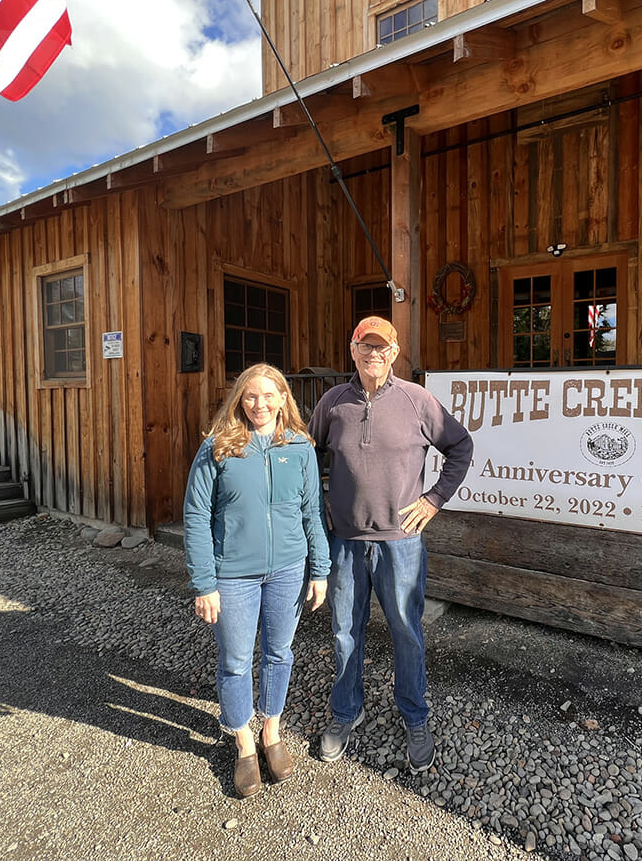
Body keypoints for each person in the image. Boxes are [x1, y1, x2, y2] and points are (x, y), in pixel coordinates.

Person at [308, 316, 473, 772]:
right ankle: (346, 711)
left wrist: (434, 500)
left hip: (400, 542)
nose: (374, 355)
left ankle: (414, 716)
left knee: (406, 631)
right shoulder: (333, 402)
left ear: (395, 353)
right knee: (345, 630)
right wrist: (314, 505)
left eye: (383, 348)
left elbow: (460, 447)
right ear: (352, 349)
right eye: (366, 347)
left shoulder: (417, 401)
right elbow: (306, 451)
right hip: (344, 539)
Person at [183, 363, 330, 798]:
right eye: (250, 396)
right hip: (233, 575)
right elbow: (195, 516)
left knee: (279, 652)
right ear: (238, 400)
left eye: (269, 396)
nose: (259, 405)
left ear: (284, 398)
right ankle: (243, 741)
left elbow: (312, 512)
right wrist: (204, 582)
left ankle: (271, 730)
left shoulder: (300, 446)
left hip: (287, 568)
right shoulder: (218, 447)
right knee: (235, 659)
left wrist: (319, 569)